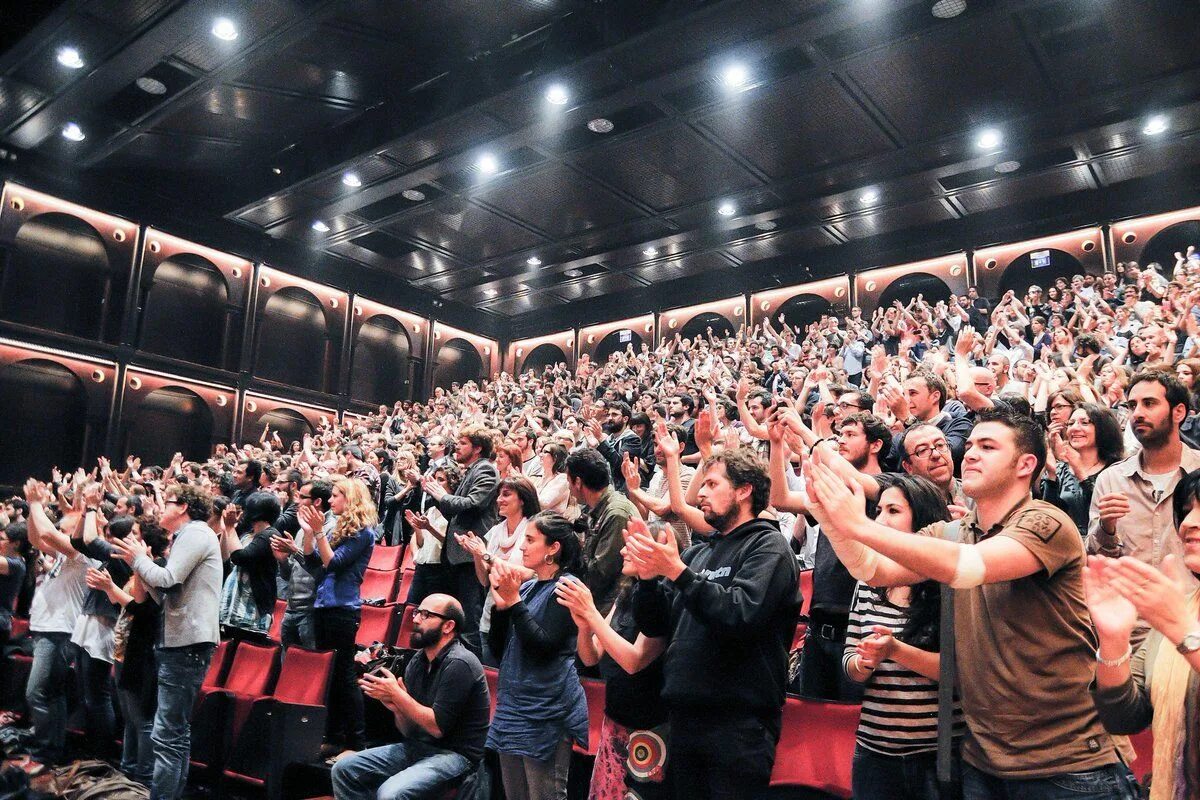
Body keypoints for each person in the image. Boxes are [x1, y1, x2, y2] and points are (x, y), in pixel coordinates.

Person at [804, 410, 1137, 799]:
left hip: (1067, 763)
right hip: (984, 764)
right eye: (973, 444)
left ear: (1026, 464)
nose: (971, 453)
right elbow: (871, 569)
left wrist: (857, 525)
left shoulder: (1046, 522)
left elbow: (968, 567)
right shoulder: (952, 532)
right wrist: (830, 518)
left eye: (988, 446)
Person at [628, 448, 799, 800]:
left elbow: (740, 615)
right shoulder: (698, 552)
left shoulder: (768, 547)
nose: (700, 493)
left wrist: (677, 572)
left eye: (711, 483)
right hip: (685, 718)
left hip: (738, 725)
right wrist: (646, 580)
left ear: (744, 490)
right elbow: (655, 625)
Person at [842, 474, 964, 800]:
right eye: (878, 510)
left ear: (923, 520)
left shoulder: (949, 580)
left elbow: (962, 672)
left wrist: (895, 651)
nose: (880, 519)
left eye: (893, 511)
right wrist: (863, 663)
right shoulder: (869, 580)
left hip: (939, 752)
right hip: (874, 749)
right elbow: (849, 662)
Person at [1088, 469, 1200, 800]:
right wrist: (1113, 640)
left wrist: (1184, 633)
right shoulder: (1183, 606)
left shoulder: (1178, 615)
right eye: (1186, 511)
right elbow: (1124, 717)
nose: (1188, 523)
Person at [112, 483, 223, 800]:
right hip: (181, 642)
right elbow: (164, 596)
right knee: (173, 733)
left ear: (184, 507)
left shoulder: (196, 534)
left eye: (167, 502)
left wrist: (138, 560)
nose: (161, 507)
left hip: (186, 644)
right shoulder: (188, 537)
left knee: (167, 735)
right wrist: (143, 565)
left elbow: (167, 578)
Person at [557, 521, 674, 800]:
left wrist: (592, 614)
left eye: (634, 544)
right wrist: (585, 625)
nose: (623, 551)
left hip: (648, 727)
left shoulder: (665, 599)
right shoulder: (626, 593)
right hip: (615, 720)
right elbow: (591, 655)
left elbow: (634, 661)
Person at [331, 594, 490, 800]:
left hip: (457, 756)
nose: (415, 619)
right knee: (344, 770)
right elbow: (408, 730)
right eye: (417, 612)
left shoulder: (460, 663)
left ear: (448, 626)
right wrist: (396, 706)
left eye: (425, 615)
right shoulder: (418, 660)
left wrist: (399, 696)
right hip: (419, 747)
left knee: (391, 793)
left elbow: (436, 728)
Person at [1088, 369, 1200, 641]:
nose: (1137, 413)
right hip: (1130, 630)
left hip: (1190, 625)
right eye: (1132, 405)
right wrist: (1107, 527)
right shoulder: (1111, 479)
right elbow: (1097, 561)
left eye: (1149, 403)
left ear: (1179, 412)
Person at [486, 512, 589, 800]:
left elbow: (544, 646)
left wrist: (514, 602)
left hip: (546, 710)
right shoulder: (530, 587)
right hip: (514, 707)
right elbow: (498, 649)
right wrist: (501, 606)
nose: (522, 546)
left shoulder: (567, 587)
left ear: (553, 548)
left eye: (530, 540)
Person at [300, 477, 376, 760]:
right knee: (330, 676)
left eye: (335, 496)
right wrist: (309, 533)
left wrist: (319, 534)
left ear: (351, 498)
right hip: (324, 606)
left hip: (343, 608)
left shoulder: (363, 532)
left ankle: (357, 742)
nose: (330, 501)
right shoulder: (340, 529)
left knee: (343, 675)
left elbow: (333, 562)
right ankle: (333, 737)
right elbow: (312, 563)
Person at [18, 481, 88, 773]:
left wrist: (35, 502)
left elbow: (46, 532)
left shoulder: (83, 553)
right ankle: (52, 751)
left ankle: (43, 752)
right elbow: (36, 537)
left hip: (60, 632)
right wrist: (35, 507)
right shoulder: (63, 555)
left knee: (36, 692)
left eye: (65, 527)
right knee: (52, 693)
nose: (59, 530)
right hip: (50, 629)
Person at [420, 425, 500, 651]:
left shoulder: (486, 470)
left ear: (478, 448)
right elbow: (453, 512)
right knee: (456, 617)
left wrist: (443, 495)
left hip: (469, 555)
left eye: (463, 443)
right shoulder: (471, 470)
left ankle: (473, 669)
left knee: (469, 620)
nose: (457, 447)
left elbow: (472, 504)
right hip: (457, 554)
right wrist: (438, 497)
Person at [567, 448, 642, 616]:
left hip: (612, 609)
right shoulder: (598, 508)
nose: (569, 487)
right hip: (599, 601)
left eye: (568, 481)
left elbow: (599, 575)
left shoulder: (616, 513)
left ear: (578, 482)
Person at [1043, 404, 1124, 533]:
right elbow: (1048, 517)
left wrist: (1080, 472)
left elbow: (1104, 515)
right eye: (1070, 424)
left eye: (1084, 423)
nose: (1074, 428)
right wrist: (1052, 474)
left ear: (1103, 429)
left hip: (1102, 546)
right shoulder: (1061, 469)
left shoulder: (1116, 470)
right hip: (1067, 546)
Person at [270, 479, 331, 650]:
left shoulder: (329, 529)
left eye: (302, 497)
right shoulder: (301, 529)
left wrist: (295, 550)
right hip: (292, 607)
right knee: (287, 666)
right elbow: (290, 575)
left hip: (312, 611)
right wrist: (282, 560)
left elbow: (322, 572)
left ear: (317, 502)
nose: (297, 501)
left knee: (309, 668)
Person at [218, 490, 279, 639]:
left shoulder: (270, 535)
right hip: (234, 611)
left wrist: (231, 527)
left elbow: (241, 557)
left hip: (250, 614)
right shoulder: (248, 535)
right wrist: (227, 528)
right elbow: (225, 556)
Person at [404, 463, 458, 605]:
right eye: (434, 479)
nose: (436, 483)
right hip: (422, 565)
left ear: (452, 484)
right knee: (411, 607)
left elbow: (450, 541)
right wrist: (417, 527)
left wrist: (429, 528)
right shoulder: (431, 509)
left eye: (441, 480)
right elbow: (421, 543)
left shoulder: (455, 511)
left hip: (439, 569)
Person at [536, 442, 572, 516]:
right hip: (536, 521)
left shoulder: (562, 479)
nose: (540, 455)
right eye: (541, 451)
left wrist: (525, 479)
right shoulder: (540, 478)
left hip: (551, 524)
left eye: (545, 452)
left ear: (555, 457)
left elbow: (544, 504)